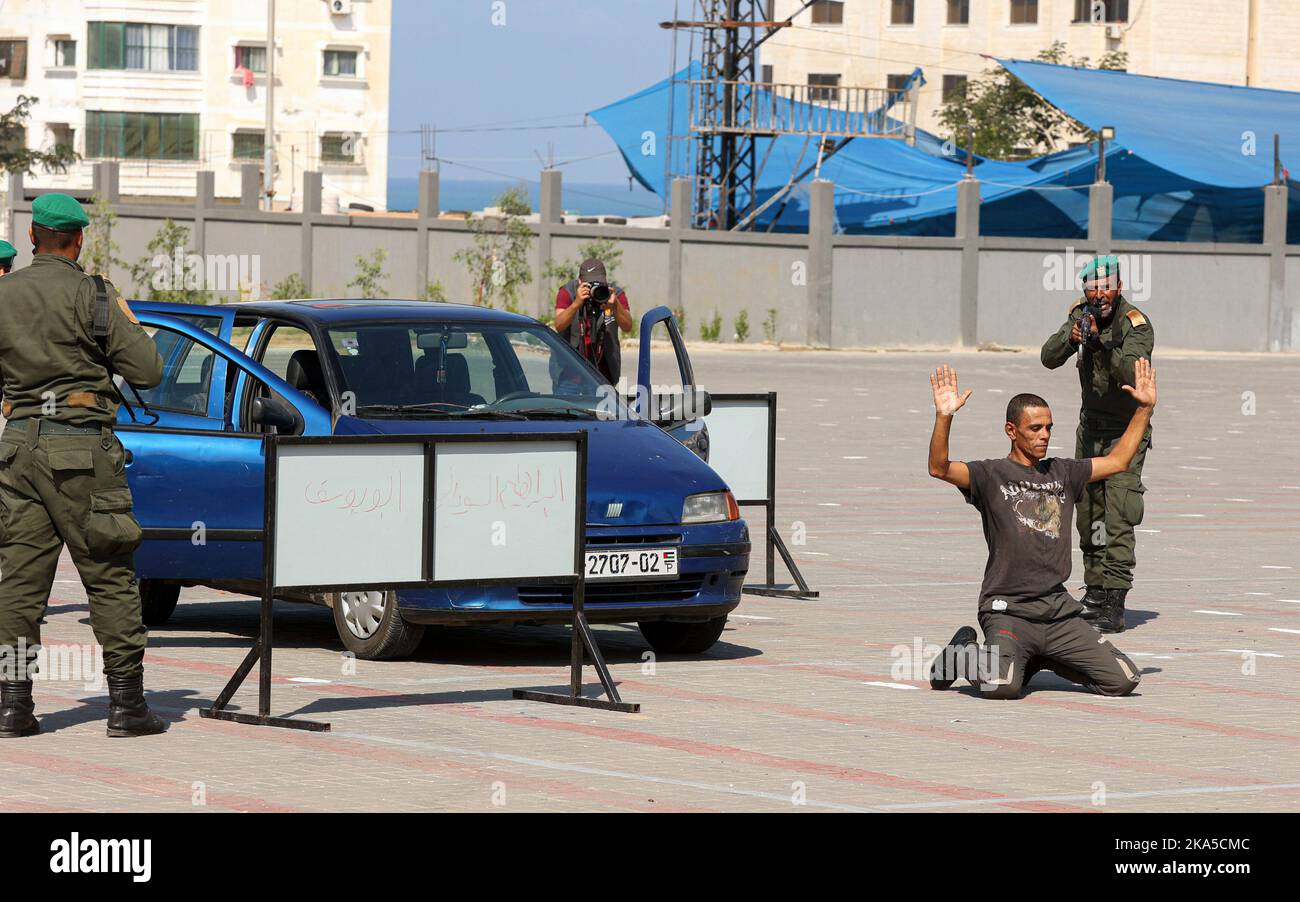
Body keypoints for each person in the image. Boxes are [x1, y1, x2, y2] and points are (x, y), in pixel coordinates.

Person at [0, 193, 167, 738]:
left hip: (17, 449)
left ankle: (14, 707)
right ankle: (126, 706)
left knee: (19, 584)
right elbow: (148, 372)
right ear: (78, 240)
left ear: (31, 238)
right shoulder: (96, 294)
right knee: (110, 573)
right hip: (81, 451)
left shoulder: (5, 294)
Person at [924, 361, 1153, 700]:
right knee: (1001, 686)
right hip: (1009, 611)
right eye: (1034, 428)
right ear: (1011, 430)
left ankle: (1031, 659)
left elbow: (1118, 461)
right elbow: (938, 468)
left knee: (1123, 680)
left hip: (1058, 614)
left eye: (1048, 427)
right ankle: (963, 655)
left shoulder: (1064, 472)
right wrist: (945, 416)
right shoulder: (990, 475)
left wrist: (1144, 409)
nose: (1044, 434)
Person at [1040, 255, 1154, 633]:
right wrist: (1071, 337)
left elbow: (1130, 372)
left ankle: (1115, 602)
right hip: (1090, 431)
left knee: (1119, 512)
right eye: (1092, 287)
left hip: (1126, 431)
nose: (1099, 294)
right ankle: (1095, 592)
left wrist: (1101, 341)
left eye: (1106, 287)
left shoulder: (1135, 324)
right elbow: (1048, 358)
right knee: (1088, 513)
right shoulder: (1080, 315)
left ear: (1119, 288)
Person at [553, 258, 632, 384]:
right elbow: (559, 325)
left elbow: (628, 327)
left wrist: (616, 306)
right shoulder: (567, 292)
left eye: (599, 282)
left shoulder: (613, 294)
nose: (595, 287)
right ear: (580, 281)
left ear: (605, 280)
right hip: (569, 375)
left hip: (604, 375)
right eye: (590, 284)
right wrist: (576, 304)